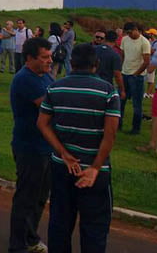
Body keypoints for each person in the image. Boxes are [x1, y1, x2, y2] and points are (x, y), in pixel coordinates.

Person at [37, 43, 120, 253]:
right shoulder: (108, 92)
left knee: (60, 223)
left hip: (62, 166)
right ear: (97, 64)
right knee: (94, 229)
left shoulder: (55, 87)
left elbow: (42, 124)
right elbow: (110, 135)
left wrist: (63, 152)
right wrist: (94, 168)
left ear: (71, 63)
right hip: (94, 172)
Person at [8, 37, 54, 253]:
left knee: (39, 198)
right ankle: (17, 245)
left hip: (45, 148)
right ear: (30, 58)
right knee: (26, 198)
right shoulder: (26, 79)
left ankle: (30, 238)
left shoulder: (44, 76)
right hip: (29, 148)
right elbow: (50, 107)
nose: (50, 61)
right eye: (44, 57)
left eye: (50, 56)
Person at [120, 22, 151, 134]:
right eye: (127, 33)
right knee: (120, 101)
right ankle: (118, 124)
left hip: (136, 77)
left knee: (137, 104)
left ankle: (135, 128)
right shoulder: (124, 40)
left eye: (130, 32)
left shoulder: (144, 42)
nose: (129, 35)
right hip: (124, 73)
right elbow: (122, 55)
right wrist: (122, 68)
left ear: (136, 29)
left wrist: (136, 73)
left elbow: (147, 61)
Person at [95, 30, 126, 100]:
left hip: (91, 82)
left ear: (105, 38)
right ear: (116, 41)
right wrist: (122, 90)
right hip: (106, 85)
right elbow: (117, 75)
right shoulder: (115, 55)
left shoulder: (92, 50)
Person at [144, 28, 157, 98]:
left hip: (152, 62)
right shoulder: (149, 41)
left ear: (152, 34)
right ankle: (148, 93)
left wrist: (148, 46)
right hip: (147, 61)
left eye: (149, 33)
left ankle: (148, 93)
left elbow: (153, 52)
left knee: (151, 79)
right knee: (146, 77)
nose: (148, 34)